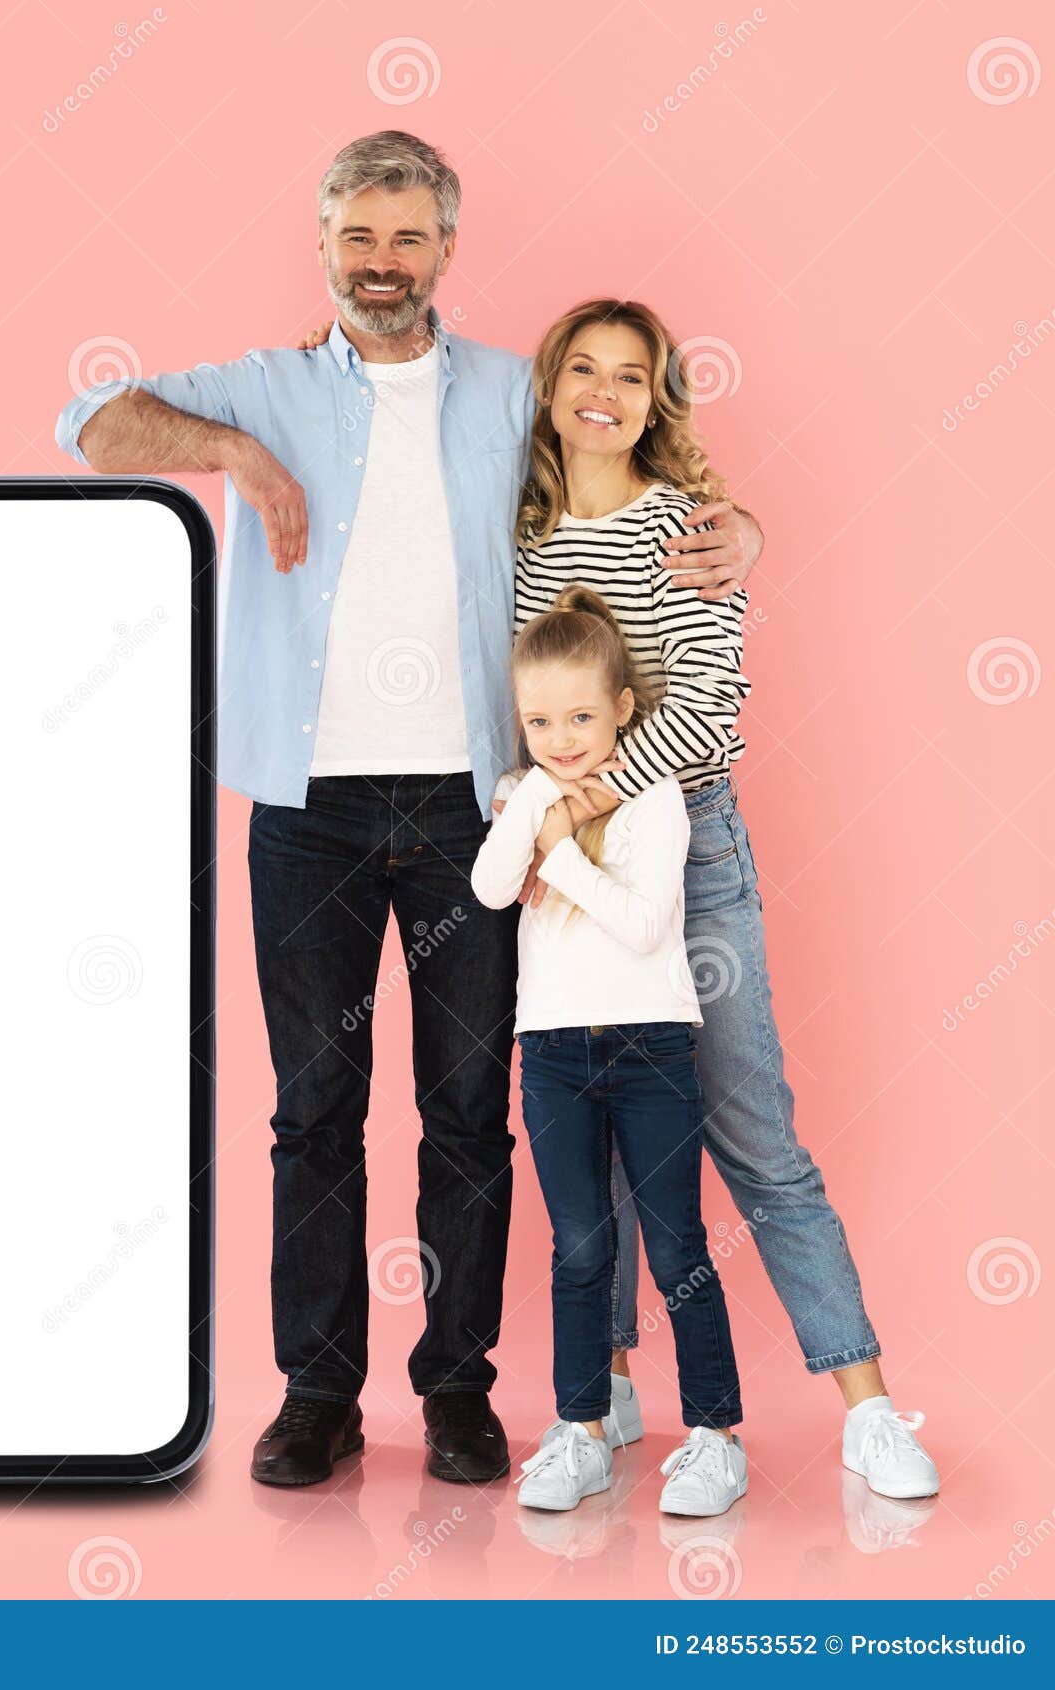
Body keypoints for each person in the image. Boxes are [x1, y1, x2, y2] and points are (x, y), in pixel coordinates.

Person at [54, 132, 764, 1489]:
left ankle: (456, 1388)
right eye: (357, 239)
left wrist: (747, 532)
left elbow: (625, 474)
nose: (381, 264)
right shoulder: (259, 387)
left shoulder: (509, 391)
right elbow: (89, 421)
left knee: (462, 1109)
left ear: (447, 249)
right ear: (324, 245)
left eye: (407, 239)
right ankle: (316, 1390)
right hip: (311, 806)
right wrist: (235, 458)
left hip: (475, 808)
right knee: (314, 1105)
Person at [502, 298, 939, 1501]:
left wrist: (582, 808)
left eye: (629, 376)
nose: (603, 391)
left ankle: (866, 1406)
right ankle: (608, 1395)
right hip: (559, 876)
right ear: (547, 385)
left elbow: (711, 707)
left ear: (656, 400)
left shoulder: (687, 531)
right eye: (581, 368)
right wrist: (540, 826)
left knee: (752, 1132)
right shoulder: (520, 537)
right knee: (600, 1130)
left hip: (686, 856)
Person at [472, 585, 748, 1516]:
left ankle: (715, 1435)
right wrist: (531, 810)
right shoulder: (534, 791)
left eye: (582, 715)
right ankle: (582, 1428)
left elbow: (641, 926)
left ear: (623, 710)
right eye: (539, 720)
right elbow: (484, 887)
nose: (561, 736)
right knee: (580, 1247)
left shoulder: (654, 800)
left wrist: (562, 857)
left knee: (676, 1248)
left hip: (651, 1050)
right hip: (551, 1053)